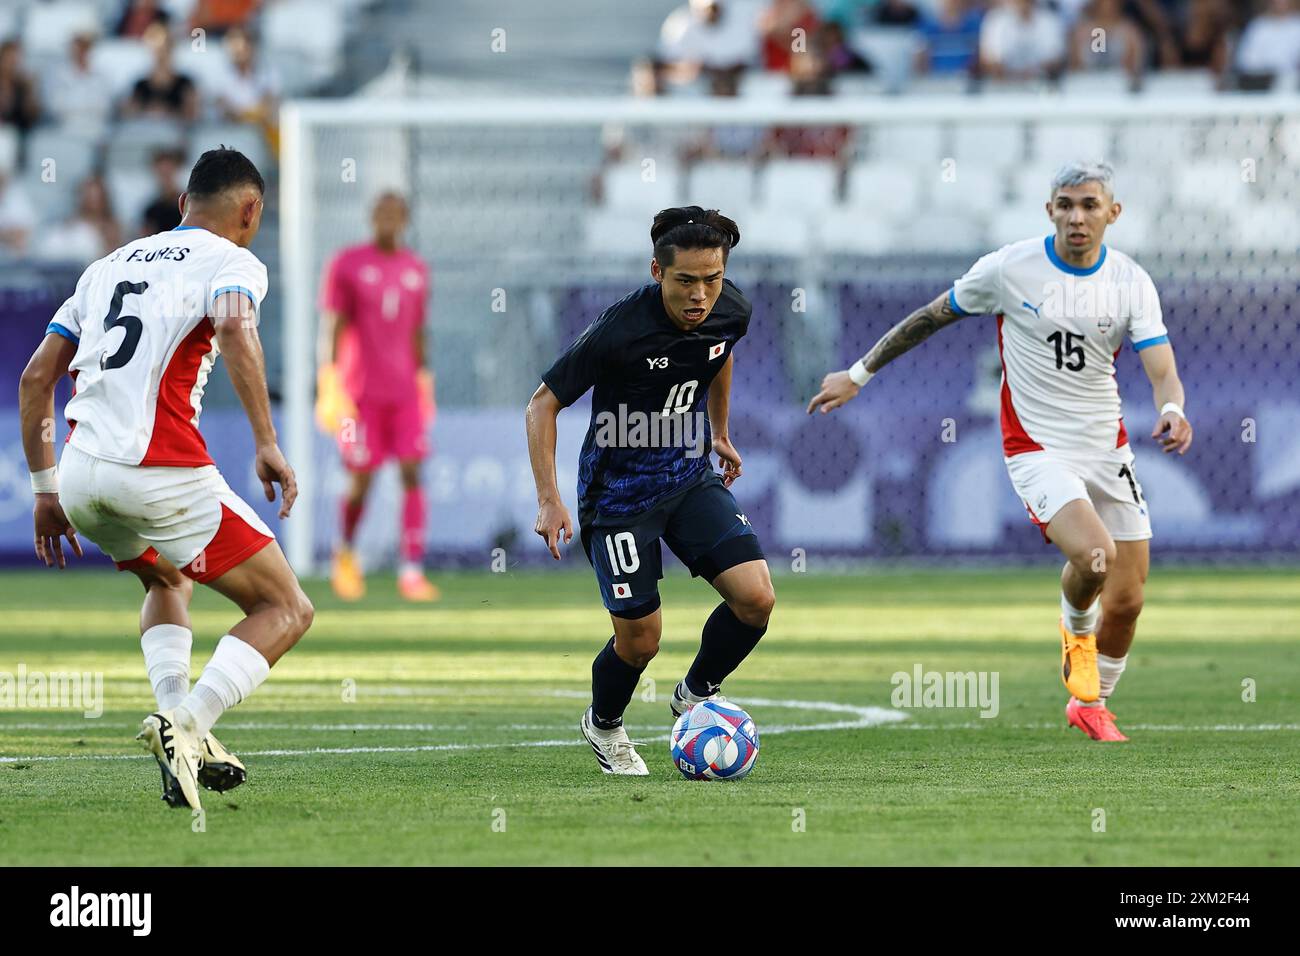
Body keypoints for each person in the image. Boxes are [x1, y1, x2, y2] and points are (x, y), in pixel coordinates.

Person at [808, 162, 1193, 743]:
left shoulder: (1131, 282)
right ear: (1049, 211)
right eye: (1065, 204)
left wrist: (1173, 409)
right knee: (1094, 557)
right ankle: (1075, 636)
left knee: (1131, 598)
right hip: (1036, 448)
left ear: (1113, 213)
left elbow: (1162, 369)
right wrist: (859, 374)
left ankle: (1092, 704)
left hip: (1106, 447)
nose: (1076, 216)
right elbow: (928, 318)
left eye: (1090, 205)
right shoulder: (1011, 269)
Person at [18, 147, 312, 810]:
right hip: (157, 467)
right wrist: (266, 440)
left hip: (81, 475)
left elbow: (37, 378)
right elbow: (236, 324)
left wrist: (44, 490)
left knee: (166, 576)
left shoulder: (106, 267)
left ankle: (179, 742)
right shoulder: (232, 261)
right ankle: (188, 725)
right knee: (285, 608)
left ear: (182, 206)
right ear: (251, 211)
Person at [526, 206, 775, 775]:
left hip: (689, 478)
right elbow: (543, 404)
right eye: (686, 281)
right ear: (658, 272)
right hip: (618, 500)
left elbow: (719, 352)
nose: (701, 295)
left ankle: (695, 693)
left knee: (756, 599)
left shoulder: (731, 307)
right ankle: (605, 724)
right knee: (641, 642)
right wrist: (549, 498)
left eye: (711, 279)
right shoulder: (621, 329)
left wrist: (719, 432)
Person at [316, 192, 438, 602]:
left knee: (411, 471)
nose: (387, 220)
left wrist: (424, 382)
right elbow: (333, 323)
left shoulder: (416, 270)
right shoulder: (347, 264)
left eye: (394, 213)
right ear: (371, 217)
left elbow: (419, 331)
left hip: (403, 393)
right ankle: (346, 552)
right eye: (380, 212)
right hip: (359, 394)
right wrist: (329, 381)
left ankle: (411, 570)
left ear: (404, 219)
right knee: (361, 477)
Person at [34, 174, 123, 264]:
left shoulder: (112, 228)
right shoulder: (71, 224)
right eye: (89, 195)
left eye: (96, 196)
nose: (93, 200)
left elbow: (113, 257)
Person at [123, 22, 198, 123]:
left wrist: (170, 114)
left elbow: (194, 116)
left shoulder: (185, 84)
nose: (161, 55)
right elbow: (129, 114)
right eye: (157, 50)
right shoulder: (140, 85)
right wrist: (147, 113)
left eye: (165, 49)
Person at [978, 0, 1067, 81]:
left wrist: (1032, 72)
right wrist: (1012, 74)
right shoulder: (996, 20)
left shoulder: (1049, 20)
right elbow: (987, 59)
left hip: (1041, 85)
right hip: (1002, 86)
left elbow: (1056, 59)